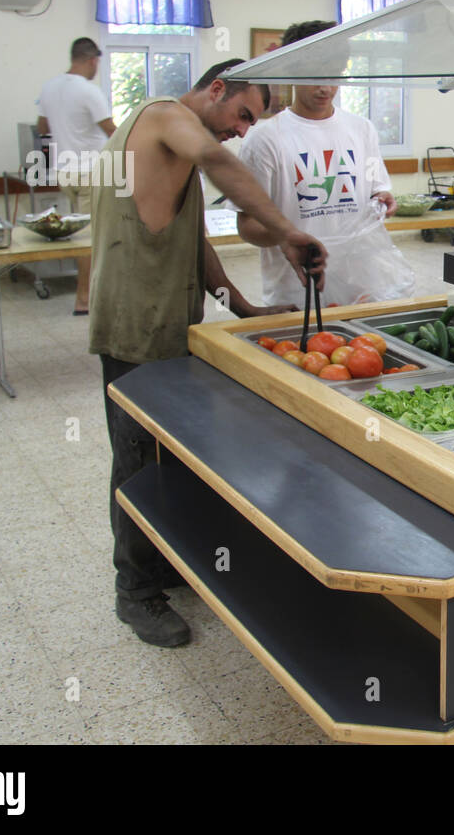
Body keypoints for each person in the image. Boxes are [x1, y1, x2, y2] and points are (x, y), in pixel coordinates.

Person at [90, 59, 327, 648]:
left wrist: (240, 305)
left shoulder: (169, 147)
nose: (243, 131)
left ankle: (164, 561)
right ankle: (135, 592)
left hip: (167, 325)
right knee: (137, 459)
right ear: (215, 89)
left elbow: (189, 240)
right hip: (135, 329)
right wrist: (286, 231)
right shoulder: (164, 116)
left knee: (169, 455)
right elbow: (222, 164)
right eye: (243, 114)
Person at [236, 20, 406, 307]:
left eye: (334, 76)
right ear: (290, 72)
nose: (325, 88)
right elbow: (247, 224)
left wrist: (382, 197)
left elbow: (375, 189)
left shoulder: (361, 129)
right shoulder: (264, 140)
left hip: (361, 286)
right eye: (314, 76)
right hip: (296, 291)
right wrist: (288, 236)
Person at [37, 37, 115, 314]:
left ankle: (95, 292)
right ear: (92, 59)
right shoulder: (89, 92)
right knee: (90, 238)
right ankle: (84, 298)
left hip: (64, 172)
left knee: (83, 234)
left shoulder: (49, 88)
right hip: (89, 172)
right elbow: (112, 132)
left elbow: (41, 126)